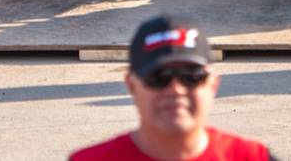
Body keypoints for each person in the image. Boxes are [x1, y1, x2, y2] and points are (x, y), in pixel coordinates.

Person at [70, 15, 273, 161]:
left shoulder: (254, 157)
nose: (176, 89)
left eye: (191, 77)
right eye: (159, 77)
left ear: (213, 84)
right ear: (131, 85)